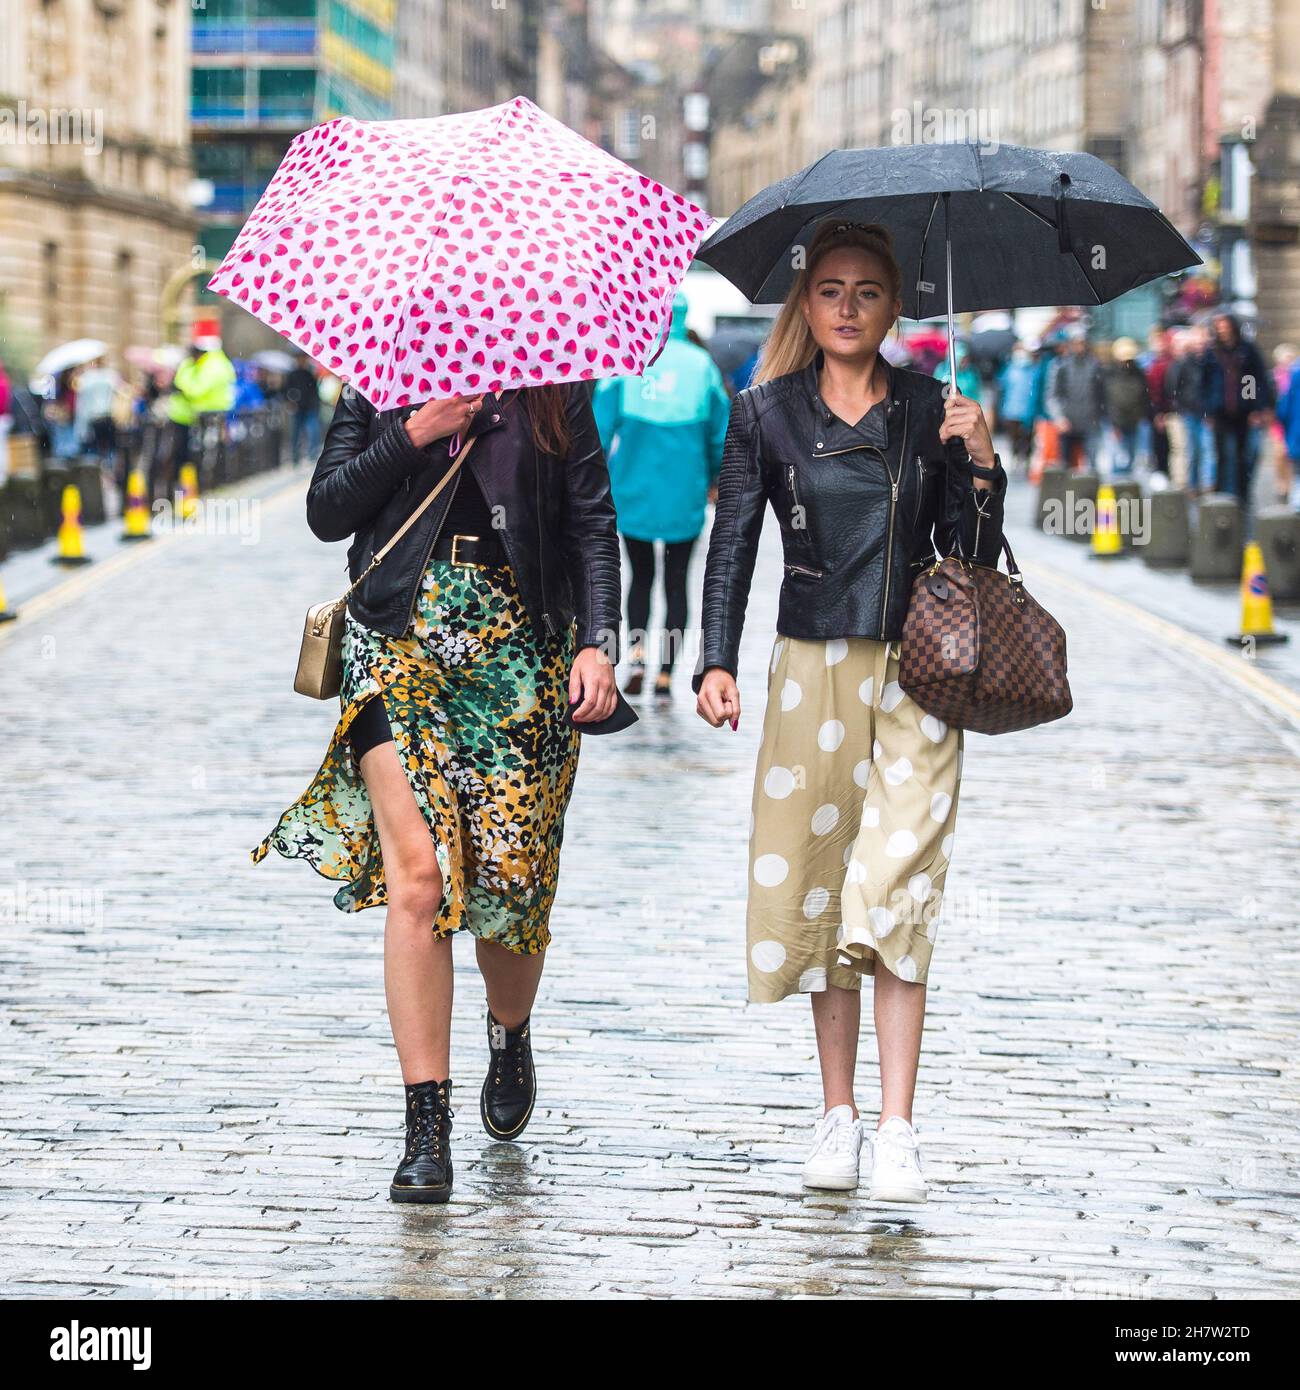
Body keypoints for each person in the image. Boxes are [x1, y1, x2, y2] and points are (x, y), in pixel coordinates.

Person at [694, 220, 1007, 1201]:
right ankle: (837, 1115)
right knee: (826, 895)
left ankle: (899, 1128)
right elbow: (733, 541)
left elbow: (972, 549)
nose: (845, 307)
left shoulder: (931, 409)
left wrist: (981, 462)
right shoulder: (766, 413)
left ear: (892, 304)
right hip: (809, 672)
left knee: (897, 890)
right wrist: (713, 658)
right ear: (804, 300)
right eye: (828, 290)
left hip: (917, 674)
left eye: (866, 292)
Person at [251, 379, 622, 1204]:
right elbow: (325, 511)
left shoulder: (556, 385)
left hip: (522, 646)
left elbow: (592, 522)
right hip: (396, 642)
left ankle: (510, 1030)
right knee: (419, 879)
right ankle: (426, 1122)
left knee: (511, 888)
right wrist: (411, 433)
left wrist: (596, 643)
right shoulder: (379, 376)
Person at [592, 291, 730, 699]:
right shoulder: (703, 367)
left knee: (638, 578)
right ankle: (667, 672)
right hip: (684, 494)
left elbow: (598, 432)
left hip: (633, 491)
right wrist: (716, 480)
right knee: (676, 581)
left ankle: (634, 658)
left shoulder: (626, 362)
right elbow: (721, 436)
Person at [1204, 311, 1274, 505]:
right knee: (1221, 454)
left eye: (1225, 326)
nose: (1223, 331)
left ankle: (1242, 493)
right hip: (1220, 409)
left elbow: (1255, 379)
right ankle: (1221, 492)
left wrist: (1255, 407)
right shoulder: (1212, 352)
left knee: (1244, 455)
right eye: (1219, 327)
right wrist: (1208, 409)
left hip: (1242, 409)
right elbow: (1206, 382)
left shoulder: (1247, 350)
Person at [1165, 325, 1216, 495]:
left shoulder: (1212, 362)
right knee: (1191, 450)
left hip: (1207, 413)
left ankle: (1208, 484)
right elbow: (1174, 387)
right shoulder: (1184, 362)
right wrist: (1181, 406)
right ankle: (1192, 485)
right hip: (1190, 411)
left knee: (1207, 450)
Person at [1048, 325, 1105, 471]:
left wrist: (1101, 416)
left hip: (1089, 421)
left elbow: (1101, 394)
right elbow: (1052, 395)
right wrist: (1059, 417)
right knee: (1066, 465)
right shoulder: (1061, 365)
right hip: (1068, 421)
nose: (1079, 346)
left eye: (1082, 342)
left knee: (1091, 465)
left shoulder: (1094, 365)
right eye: (1076, 342)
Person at [1100, 337, 1151, 477]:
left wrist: (1142, 415)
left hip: (1133, 421)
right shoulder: (1109, 373)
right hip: (1114, 422)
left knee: (1131, 458)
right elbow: (1104, 398)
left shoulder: (1139, 373)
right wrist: (1112, 421)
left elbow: (1144, 397)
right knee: (1117, 460)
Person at [996, 341, 1040, 467]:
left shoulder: (1034, 370)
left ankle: (1025, 459)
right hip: (1011, 410)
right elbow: (1002, 388)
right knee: (1014, 437)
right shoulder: (1009, 369)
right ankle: (1016, 457)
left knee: (1027, 437)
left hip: (1029, 411)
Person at [284, 352, 323, 465]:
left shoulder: (310, 373)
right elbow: (287, 390)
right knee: (296, 432)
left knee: (312, 429)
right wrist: (290, 401)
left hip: (310, 406)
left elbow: (315, 390)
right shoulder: (292, 374)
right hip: (298, 407)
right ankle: (295, 456)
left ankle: (312, 453)